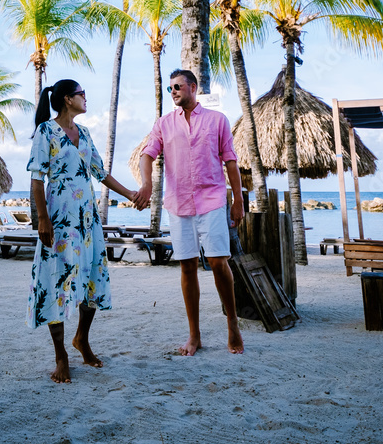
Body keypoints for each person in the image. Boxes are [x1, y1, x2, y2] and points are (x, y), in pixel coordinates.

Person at [27, 79, 142, 384]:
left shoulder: (86, 133)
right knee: (56, 281)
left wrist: (130, 194)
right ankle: (61, 355)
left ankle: (82, 338)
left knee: (92, 278)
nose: (85, 99)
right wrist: (42, 218)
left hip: (87, 220)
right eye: (81, 94)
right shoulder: (46, 131)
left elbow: (100, 174)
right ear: (67, 99)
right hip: (59, 218)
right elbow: (37, 179)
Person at [137, 68, 245, 356]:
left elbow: (231, 162)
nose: (172, 91)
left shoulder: (217, 120)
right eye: (170, 88)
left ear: (193, 87)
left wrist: (238, 201)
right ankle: (194, 335)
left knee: (218, 261)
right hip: (179, 203)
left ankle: (232, 323)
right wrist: (147, 183)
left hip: (211, 199)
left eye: (177, 86)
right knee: (187, 266)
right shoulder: (163, 124)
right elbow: (147, 154)